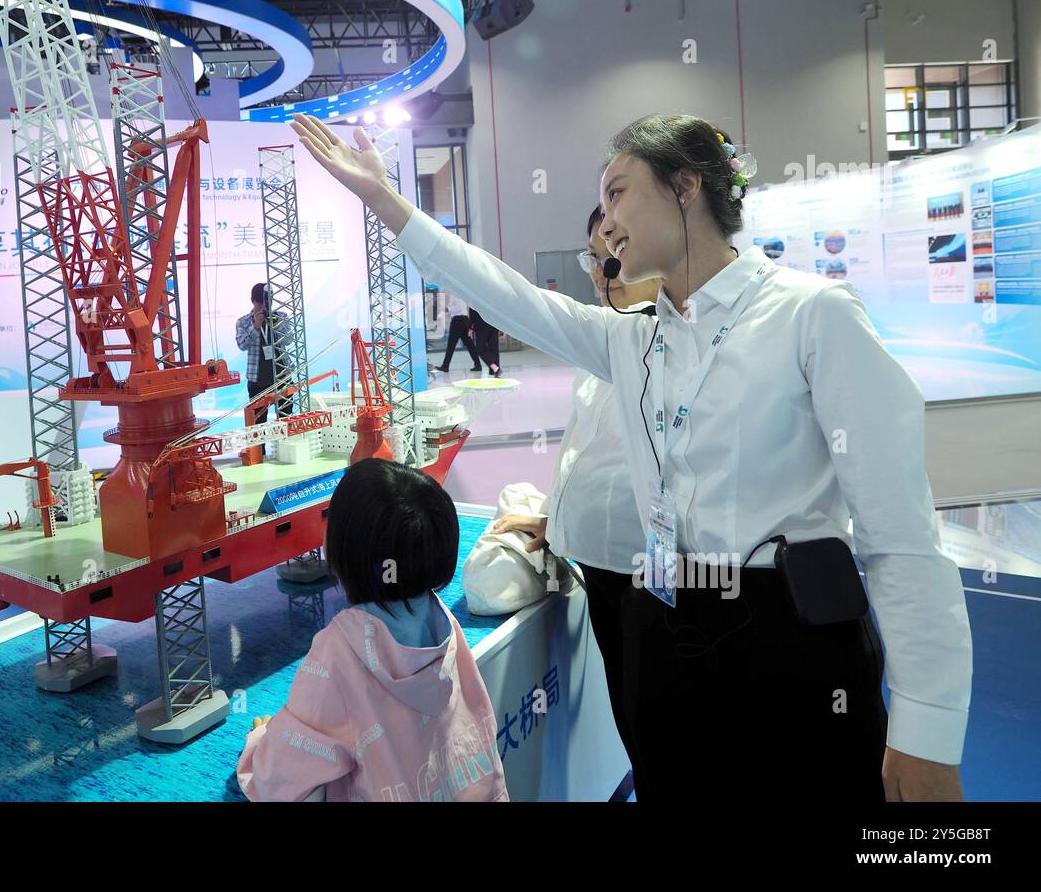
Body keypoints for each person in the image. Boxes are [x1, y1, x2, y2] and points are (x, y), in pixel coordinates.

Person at [289, 110, 972, 802]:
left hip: (789, 640)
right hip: (665, 629)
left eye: (618, 191)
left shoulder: (812, 314)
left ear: (685, 187)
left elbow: (902, 533)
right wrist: (385, 200)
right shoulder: (632, 339)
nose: (606, 221)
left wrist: (928, 726)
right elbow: (507, 296)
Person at [491, 205, 660, 795]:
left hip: (656, 576)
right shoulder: (607, 343)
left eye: (615, 250)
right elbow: (595, 459)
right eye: (596, 256)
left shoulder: (665, 343)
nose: (603, 269)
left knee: (661, 724)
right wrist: (552, 520)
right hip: (606, 567)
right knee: (637, 719)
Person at [237, 457, 508, 802]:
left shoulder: (341, 650)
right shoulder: (441, 620)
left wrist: (264, 740)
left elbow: (281, 779)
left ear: (345, 550)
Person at [234, 283, 293, 425]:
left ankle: (284, 447)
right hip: (257, 381)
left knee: (286, 422)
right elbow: (242, 345)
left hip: (282, 377)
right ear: (253, 301)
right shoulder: (243, 322)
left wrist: (276, 324)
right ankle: (260, 448)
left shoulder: (281, 316)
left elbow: (289, 340)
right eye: (261, 303)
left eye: (269, 302)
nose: (265, 306)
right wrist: (255, 327)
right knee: (258, 425)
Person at [433, 290, 481, 373]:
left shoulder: (456, 293)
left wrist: (447, 309)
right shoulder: (458, 292)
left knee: (451, 344)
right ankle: (478, 365)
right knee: (469, 344)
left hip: (458, 321)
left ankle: (445, 366)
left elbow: (458, 307)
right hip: (464, 320)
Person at [469, 307, 502, 377]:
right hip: (493, 323)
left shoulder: (475, 297)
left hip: (481, 324)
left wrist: (471, 328)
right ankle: (495, 371)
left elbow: (472, 311)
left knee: (480, 349)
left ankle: (495, 368)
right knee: (494, 348)